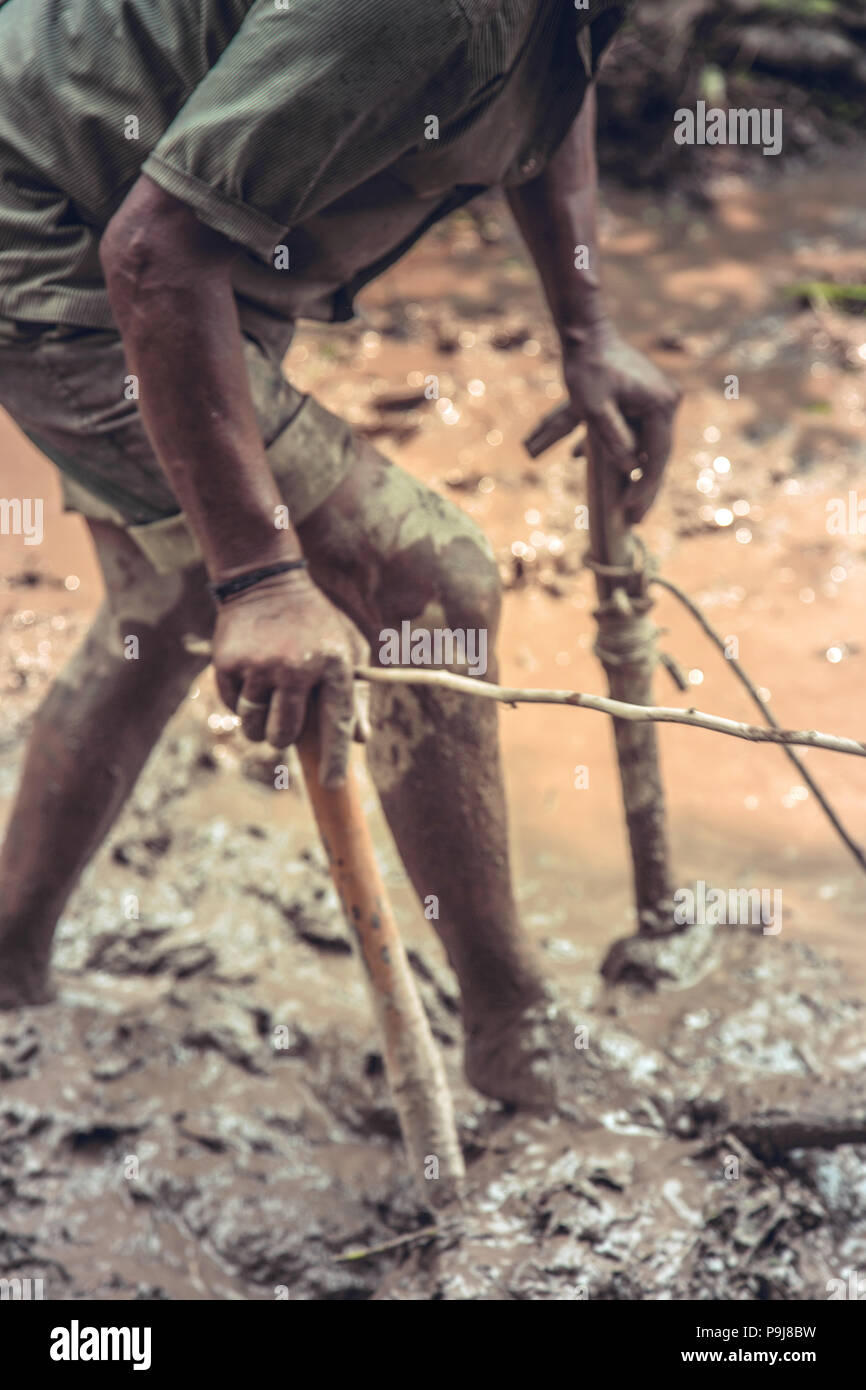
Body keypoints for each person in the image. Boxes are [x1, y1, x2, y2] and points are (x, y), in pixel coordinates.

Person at [0, 0, 679, 1104]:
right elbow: (155, 250)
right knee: (431, 583)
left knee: (165, 603)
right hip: (68, 230)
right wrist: (265, 579)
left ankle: (6, 966)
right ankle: (512, 1027)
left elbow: (549, 89)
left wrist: (585, 327)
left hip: (155, 203)